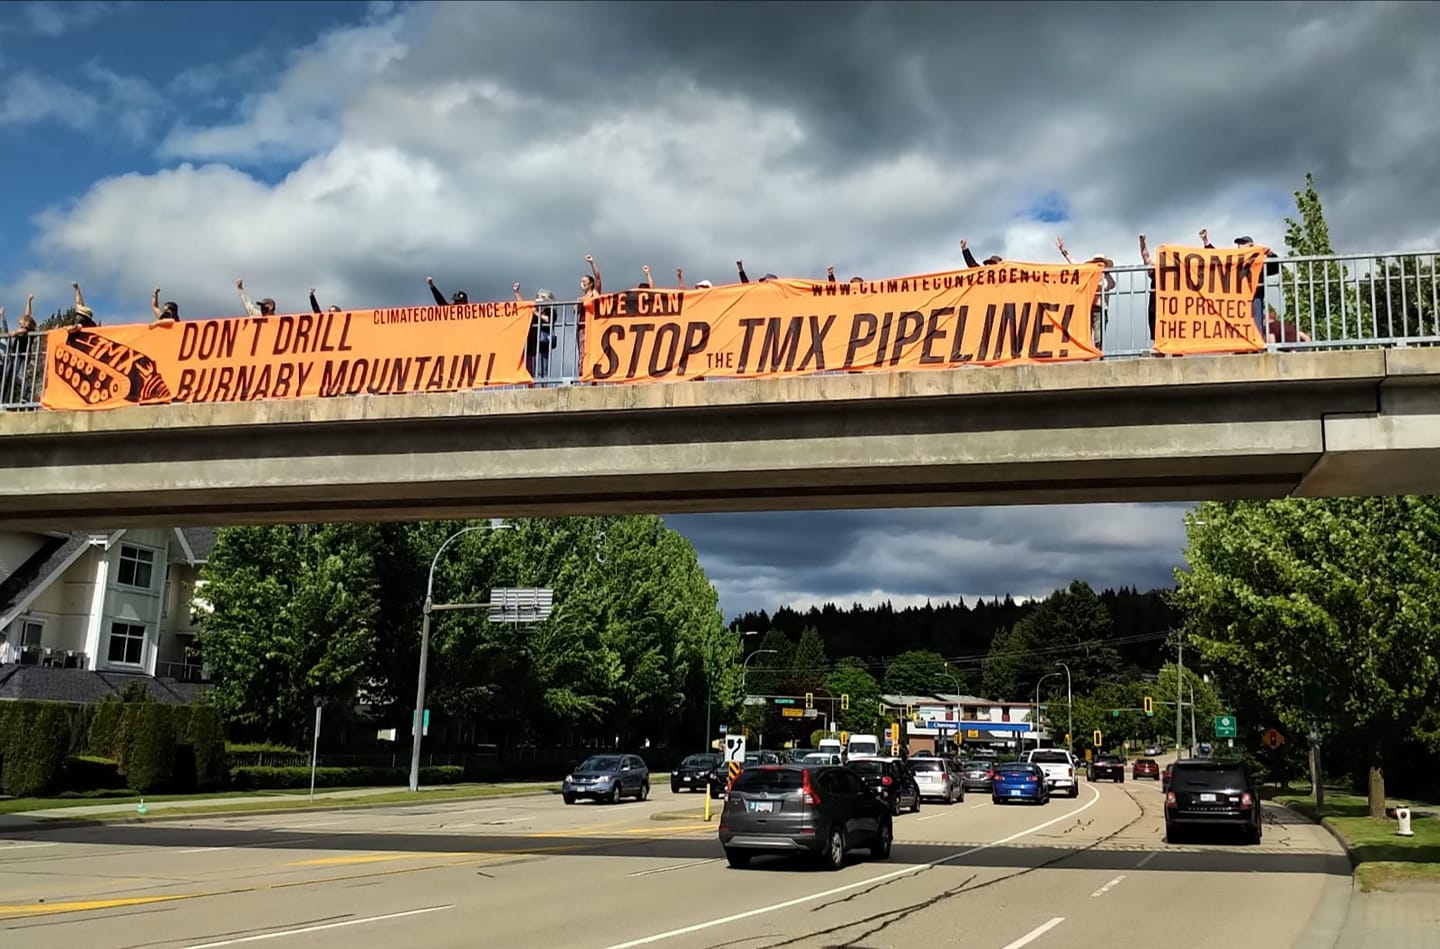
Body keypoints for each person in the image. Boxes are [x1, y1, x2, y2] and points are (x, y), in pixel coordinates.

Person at [1201, 229, 1280, 339]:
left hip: (1254, 297)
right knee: (1238, 324)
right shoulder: (1235, 261)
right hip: (1238, 298)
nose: (1239, 245)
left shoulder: (1259, 261)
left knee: (1256, 322)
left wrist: (1270, 254)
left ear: (1251, 245)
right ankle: (1241, 348)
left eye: (1243, 243)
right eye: (1239, 243)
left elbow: (1276, 268)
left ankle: (1256, 346)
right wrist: (1206, 242)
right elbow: (1218, 258)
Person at [1056, 237, 1116, 346]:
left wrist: (1104, 274)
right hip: (1088, 307)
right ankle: (1088, 355)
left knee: (1099, 335)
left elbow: (1110, 285)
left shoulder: (1106, 277)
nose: (1098, 264)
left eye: (1100, 263)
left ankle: (1097, 354)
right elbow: (1074, 264)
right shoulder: (1089, 274)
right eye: (1097, 262)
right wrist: (1063, 251)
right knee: (1086, 334)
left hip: (1100, 308)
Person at [3, 294, 37, 404]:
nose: (19, 324)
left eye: (20, 323)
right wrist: (29, 300)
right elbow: (28, 314)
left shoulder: (26, 330)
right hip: (15, 356)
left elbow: (22, 330)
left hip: (22, 356)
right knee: (9, 377)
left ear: (26, 323)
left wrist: (14, 332)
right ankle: (5, 400)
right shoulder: (25, 326)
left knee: (20, 376)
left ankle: (27, 396)